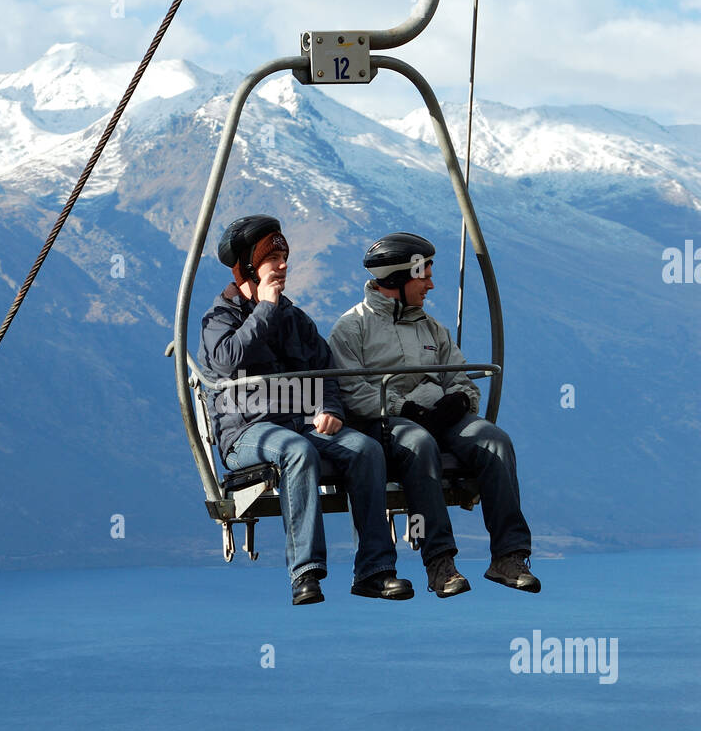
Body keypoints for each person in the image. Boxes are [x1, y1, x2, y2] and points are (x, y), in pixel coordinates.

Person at [199, 215, 414, 606]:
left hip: (299, 424)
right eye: (272, 258)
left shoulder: (296, 320)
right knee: (297, 452)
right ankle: (306, 574)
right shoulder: (219, 319)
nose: (283, 265)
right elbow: (228, 360)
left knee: (366, 450)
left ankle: (375, 570)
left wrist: (330, 408)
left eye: (284, 257)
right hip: (247, 432)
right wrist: (264, 309)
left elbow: (325, 371)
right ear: (248, 266)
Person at [328, 233, 540, 597]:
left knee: (495, 442)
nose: (430, 284)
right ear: (397, 280)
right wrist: (403, 408)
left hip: (440, 418)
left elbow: (461, 380)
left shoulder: (430, 327)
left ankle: (508, 556)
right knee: (419, 443)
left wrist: (456, 403)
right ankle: (439, 562)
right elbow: (352, 392)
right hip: (387, 424)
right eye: (423, 275)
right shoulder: (352, 328)